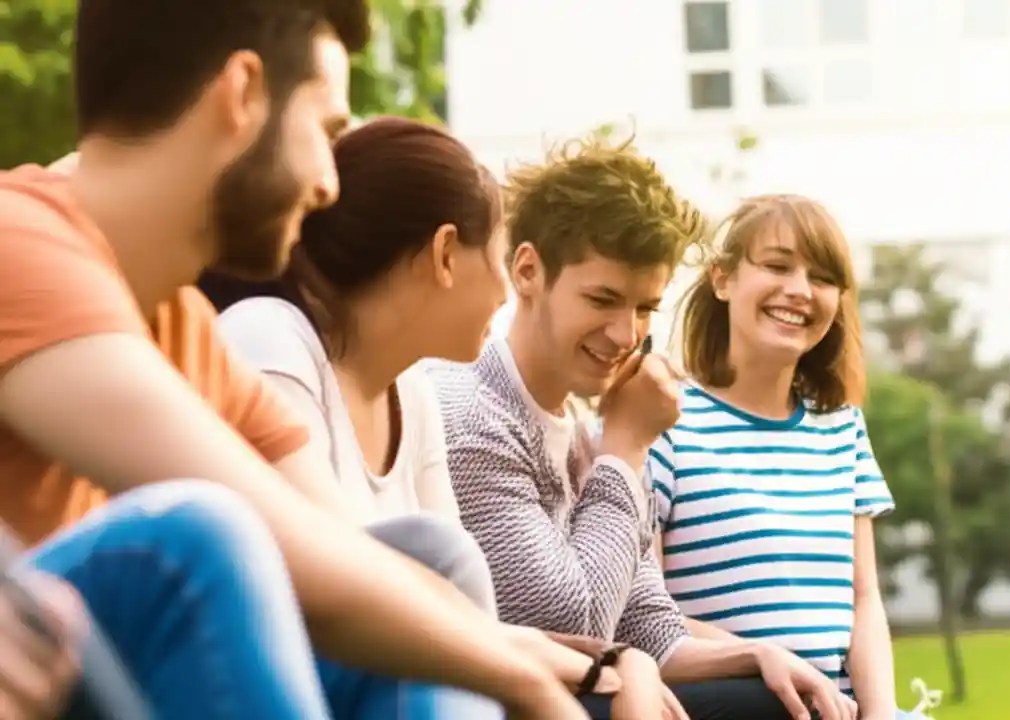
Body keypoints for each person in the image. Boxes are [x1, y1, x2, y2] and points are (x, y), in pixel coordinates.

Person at [0, 1, 582, 717]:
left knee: (421, 560)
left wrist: (574, 672)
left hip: (90, 668)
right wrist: (524, 686)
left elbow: (347, 553)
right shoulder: (21, 246)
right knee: (197, 536)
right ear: (243, 94)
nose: (329, 183)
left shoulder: (183, 328)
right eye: (326, 130)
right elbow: (292, 552)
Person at [207, 117, 643, 711]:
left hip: (400, 684)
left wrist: (619, 665)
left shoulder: (412, 394)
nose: (501, 292)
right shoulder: (270, 339)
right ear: (444, 254)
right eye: (494, 258)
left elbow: (462, 620)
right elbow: (354, 587)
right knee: (433, 551)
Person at [429, 137, 858, 720]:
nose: (625, 334)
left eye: (644, 308)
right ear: (528, 270)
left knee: (782, 696)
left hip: (591, 695)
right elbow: (573, 625)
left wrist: (757, 654)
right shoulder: (472, 413)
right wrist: (626, 448)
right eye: (602, 299)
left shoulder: (581, 438)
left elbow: (651, 629)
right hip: (499, 703)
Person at [649, 194, 922, 720]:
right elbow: (644, 611)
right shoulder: (664, 419)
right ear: (722, 279)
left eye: (821, 277)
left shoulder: (841, 428)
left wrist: (882, 710)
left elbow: (864, 601)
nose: (799, 290)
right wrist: (761, 664)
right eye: (776, 266)